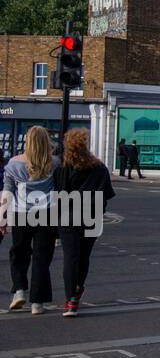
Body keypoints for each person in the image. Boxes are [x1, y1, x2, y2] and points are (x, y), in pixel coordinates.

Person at [52, 129, 115, 317]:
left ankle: (71, 298)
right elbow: (107, 193)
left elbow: (58, 194)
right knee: (84, 256)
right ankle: (77, 289)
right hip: (91, 216)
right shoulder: (99, 167)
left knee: (71, 257)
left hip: (68, 217)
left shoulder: (63, 167)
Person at [3, 126, 60, 314]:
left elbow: (7, 191)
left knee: (18, 253)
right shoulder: (55, 163)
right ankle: (37, 302)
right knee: (42, 258)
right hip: (47, 214)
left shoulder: (14, 163)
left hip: (21, 213)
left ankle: (19, 291)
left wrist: (2, 216)